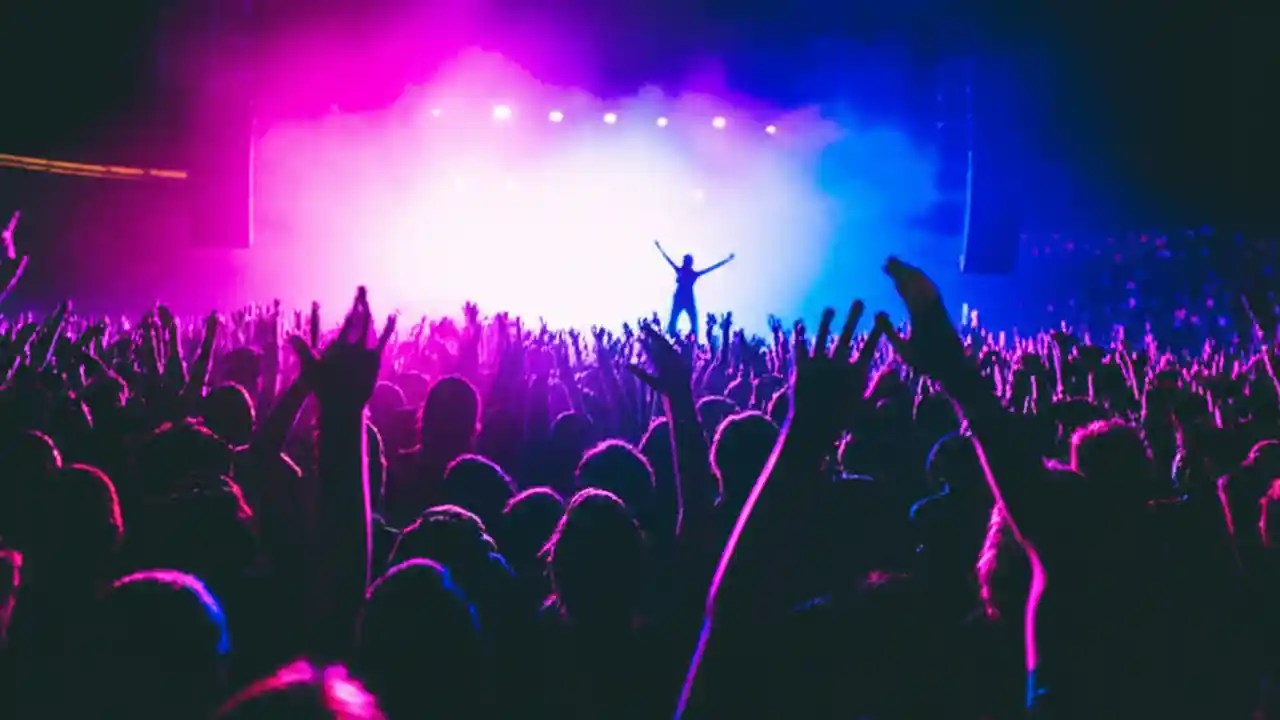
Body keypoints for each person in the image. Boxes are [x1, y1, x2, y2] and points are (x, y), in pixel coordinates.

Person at [654, 240, 735, 340]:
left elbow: (711, 268)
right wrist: (659, 248)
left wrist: (727, 260)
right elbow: (668, 259)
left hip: (686, 298)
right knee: (676, 319)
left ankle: (691, 337)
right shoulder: (683, 271)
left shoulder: (690, 274)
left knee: (691, 319)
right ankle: (674, 335)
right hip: (681, 297)